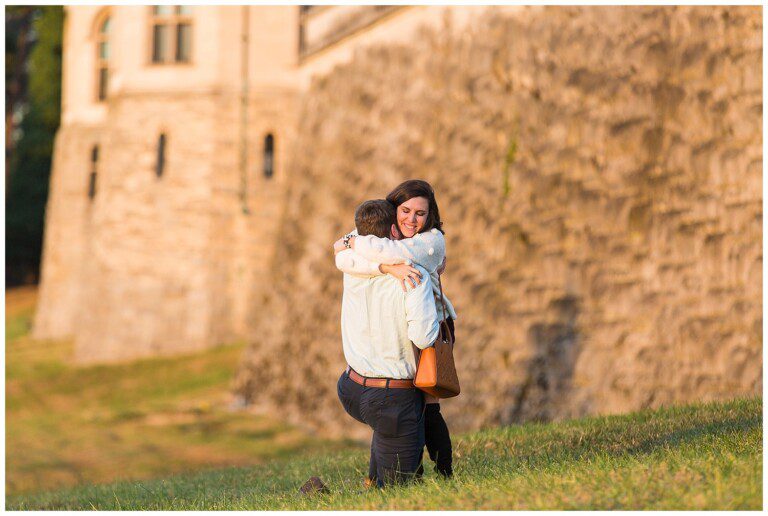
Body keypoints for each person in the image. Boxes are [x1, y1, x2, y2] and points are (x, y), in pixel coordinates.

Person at [333, 179, 456, 479]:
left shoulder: (430, 242)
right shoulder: (392, 259)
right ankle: (428, 470)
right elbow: (345, 256)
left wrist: (351, 244)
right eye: (405, 211)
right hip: (397, 375)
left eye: (420, 214)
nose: (412, 220)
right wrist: (387, 268)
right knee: (416, 411)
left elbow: (352, 251)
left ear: (430, 216)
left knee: (429, 404)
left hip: (431, 330)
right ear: (392, 213)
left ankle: (444, 472)